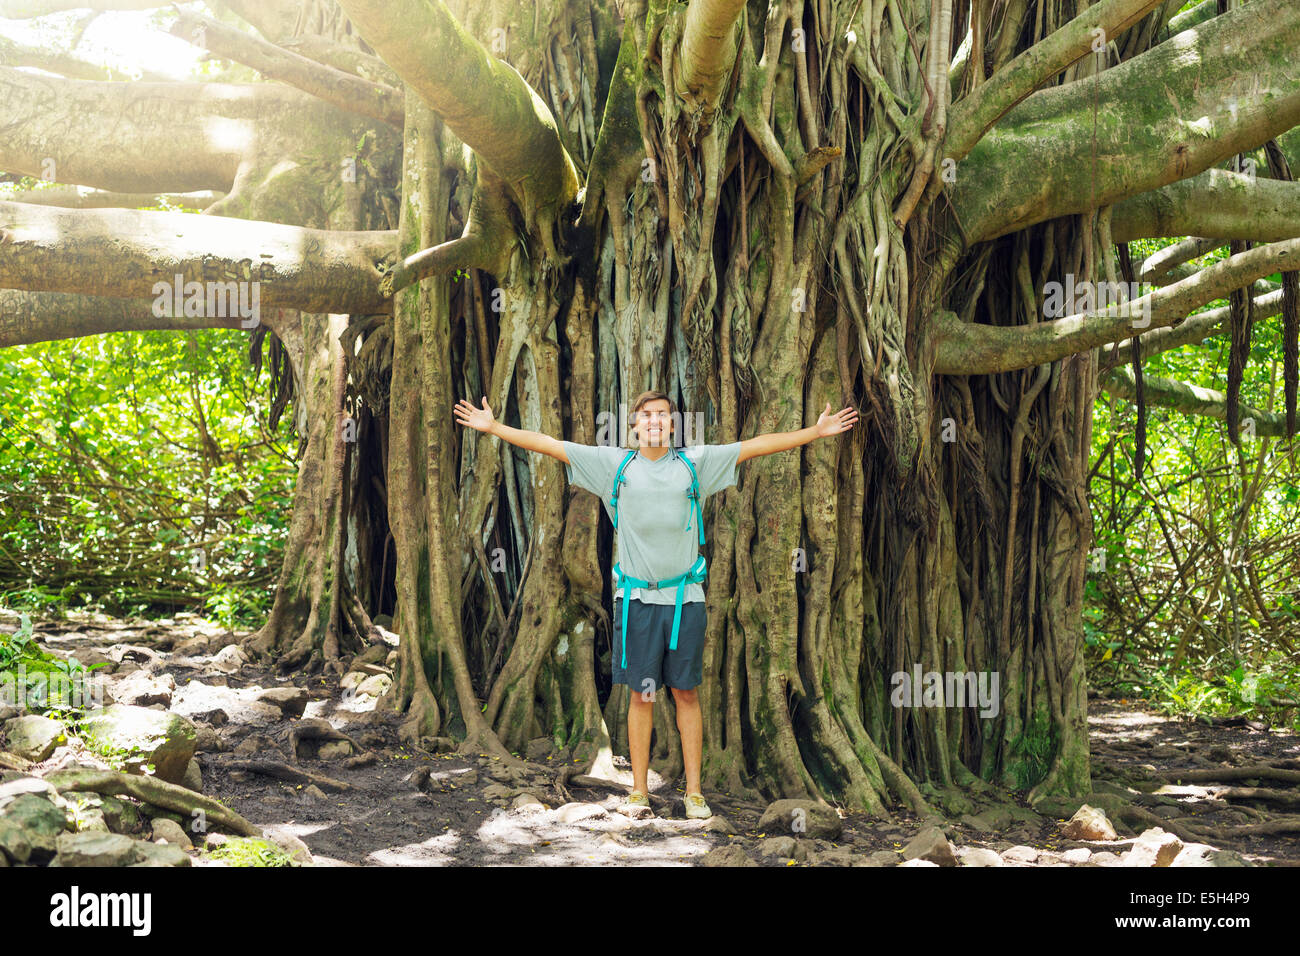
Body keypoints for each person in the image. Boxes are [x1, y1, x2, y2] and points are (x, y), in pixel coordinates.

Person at [454, 389, 858, 818]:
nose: (653, 422)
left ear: (672, 425)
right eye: (645, 416)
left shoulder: (694, 464)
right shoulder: (615, 466)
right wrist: (494, 428)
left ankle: (695, 793)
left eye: (662, 415)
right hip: (636, 600)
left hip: (686, 599)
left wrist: (815, 432)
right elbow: (551, 445)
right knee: (642, 697)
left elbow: (754, 447)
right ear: (634, 425)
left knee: (686, 692)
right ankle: (639, 792)